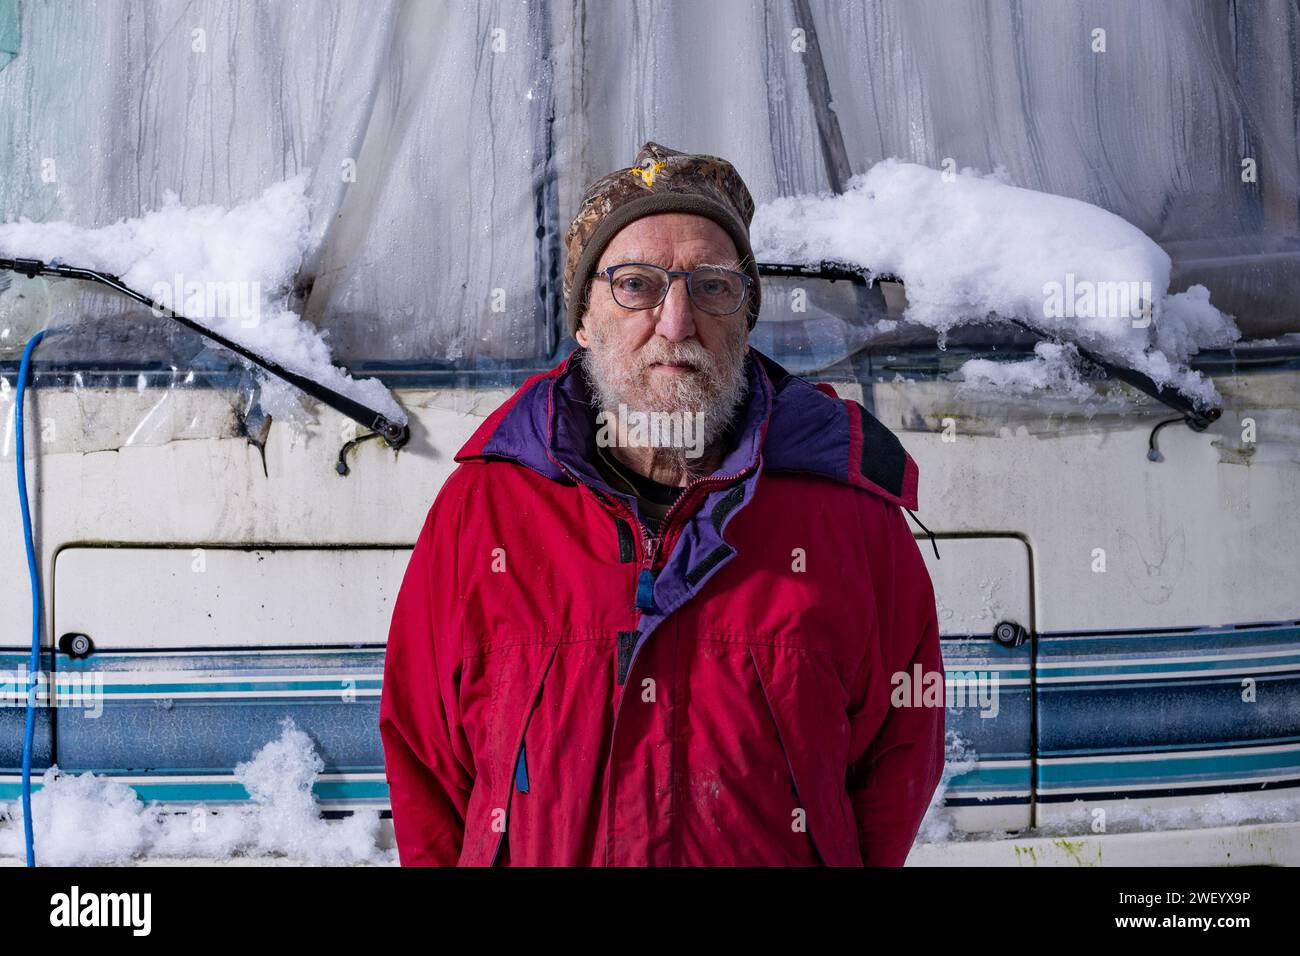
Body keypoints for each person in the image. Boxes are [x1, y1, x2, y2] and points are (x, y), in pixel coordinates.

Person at [379, 141, 945, 866]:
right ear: (585, 319)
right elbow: (427, 770)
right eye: (637, 285)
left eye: (711, 287)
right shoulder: (481, 511)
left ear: (744, 319)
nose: (676, 323)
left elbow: (895, 766)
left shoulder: (852, 520)